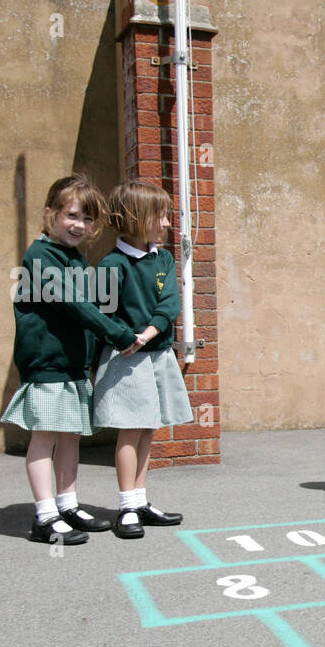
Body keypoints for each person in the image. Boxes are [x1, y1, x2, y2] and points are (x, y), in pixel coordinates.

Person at [0, 176, 139, 544]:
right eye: (72, 215)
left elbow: (94, 306)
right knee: (44, 438)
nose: (80, 225)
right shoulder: (40, 256)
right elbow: (76, 307)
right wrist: (120, 335)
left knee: (71, 438)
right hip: (46, 365)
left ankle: (67, 504)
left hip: (73, 365)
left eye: (89, 219)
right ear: (51, 214)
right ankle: (44, 517)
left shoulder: (76, 258)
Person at [92, 180, 192, 539]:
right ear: (136, 218)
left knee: (148, 428)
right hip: (125, 360)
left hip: (154, 353)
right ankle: (126, 506)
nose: (166, 224)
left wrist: (148, 333)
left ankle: (140, 498)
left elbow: (170, 303)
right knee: (130, 431)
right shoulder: (111, 264)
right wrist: (123, 338)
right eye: (160, 216)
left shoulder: (162, 258)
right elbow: (101, 315)